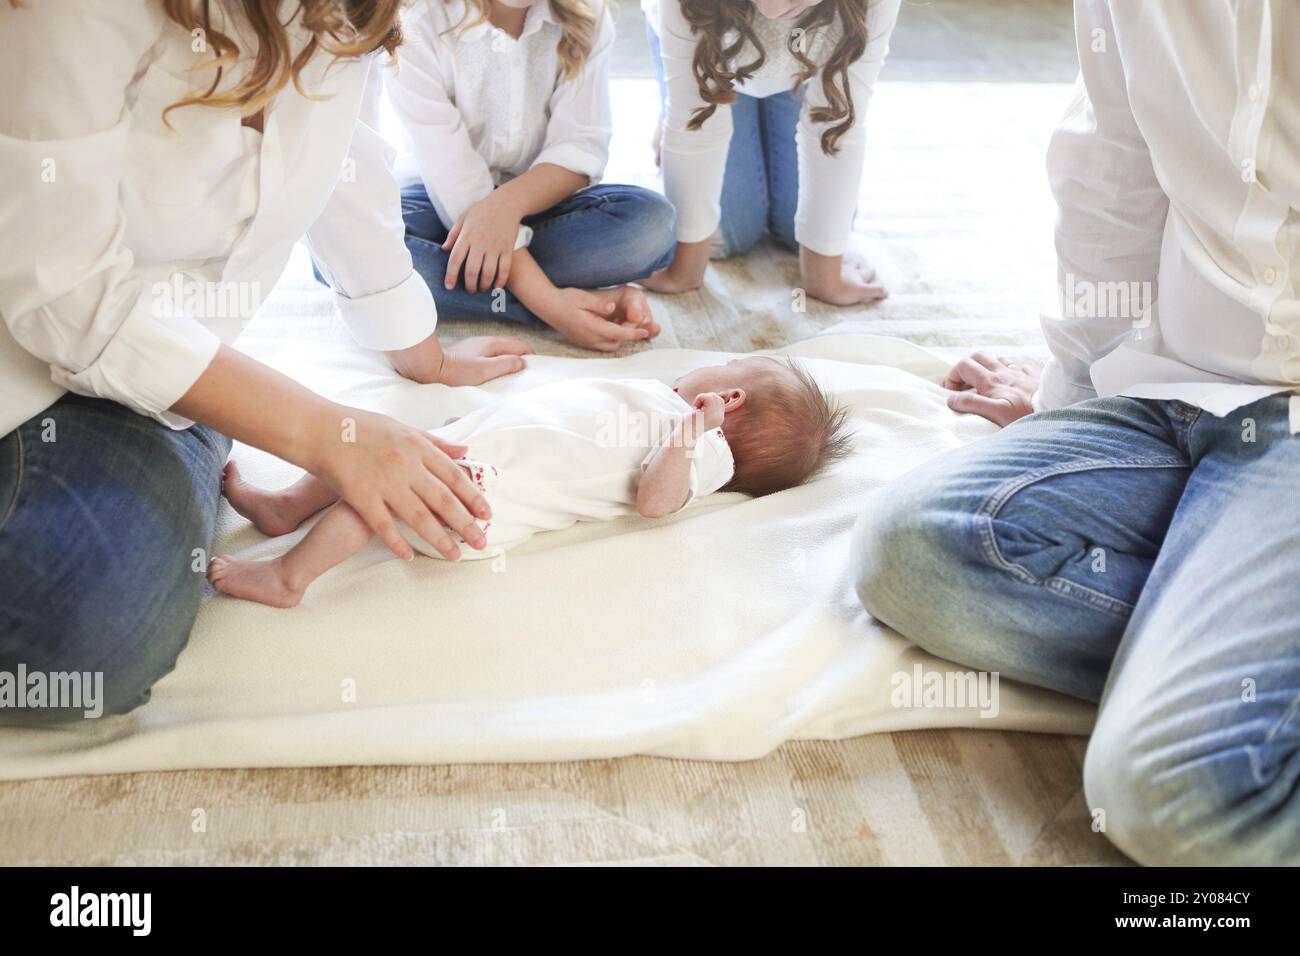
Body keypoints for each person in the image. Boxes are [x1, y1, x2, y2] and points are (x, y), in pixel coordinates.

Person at [853, 0, 1300, 865]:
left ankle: (1212, 703)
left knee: (1180, 800)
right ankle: (1225, 669)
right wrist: (1075, 398)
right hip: (1183, 389)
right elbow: (1113, 169)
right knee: (920, 548)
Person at [0, 0, 530, 724]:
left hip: (163, 383)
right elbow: (60, 289)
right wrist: (319, 432)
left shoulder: (349, 12)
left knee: (92, 638)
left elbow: (345, 161)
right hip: (21, 352)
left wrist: (419, 350)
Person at [208, 357, 852, 606]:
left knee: (375, 489)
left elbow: (655, 502)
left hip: (482, 497)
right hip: (483, 447)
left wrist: (692, 433)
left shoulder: (705, 450)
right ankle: (289, 506)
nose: (699, 368)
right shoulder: (657, 397)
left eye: (720, 367)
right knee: (378, 443)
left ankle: (290, 579)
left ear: (729, 397)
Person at [385, 0, 675, 351]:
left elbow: (581, 144)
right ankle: (554, 302)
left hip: (538, 200)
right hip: (441, 203)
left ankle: (510, 285)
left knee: (651, 225)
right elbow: (453, 178)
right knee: (360, 252)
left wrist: (507, 205)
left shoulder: (586, 14)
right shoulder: (414, 21)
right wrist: (551, 307)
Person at [641, 0, 901, 306]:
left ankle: (763, 109)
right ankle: (684, 98)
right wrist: (684, 270)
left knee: (802, 235)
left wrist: (824, 279)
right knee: (731, 234)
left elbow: (836, 122)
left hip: (805, 60)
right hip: (714, 34)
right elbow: (696, 120)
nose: (778, 6)